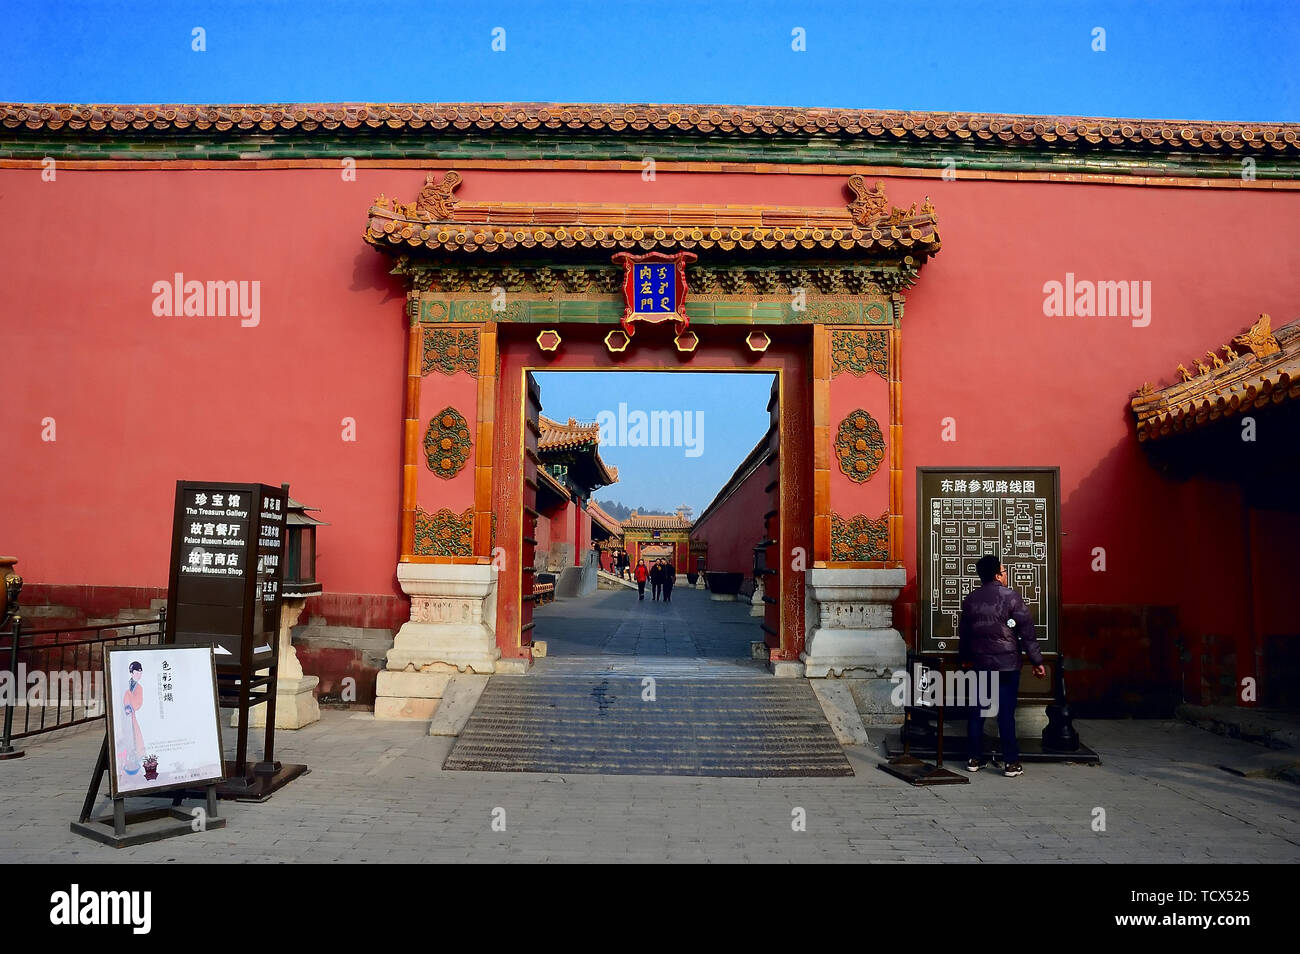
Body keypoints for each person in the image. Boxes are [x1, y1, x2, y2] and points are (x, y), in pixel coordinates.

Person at [958, 554, 1046, 778]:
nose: (1006, 575)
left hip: (980, 665)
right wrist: (1037, 662)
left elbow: (965, 635)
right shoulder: (1012, 598)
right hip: (1007, 665)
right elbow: (1027, 633)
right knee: (1006, 714)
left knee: (977, 712)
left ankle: (973, 758)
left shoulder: (970, 600)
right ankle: (1011, 763)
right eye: (1004, 571)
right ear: (997, 575)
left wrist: (965, 658)